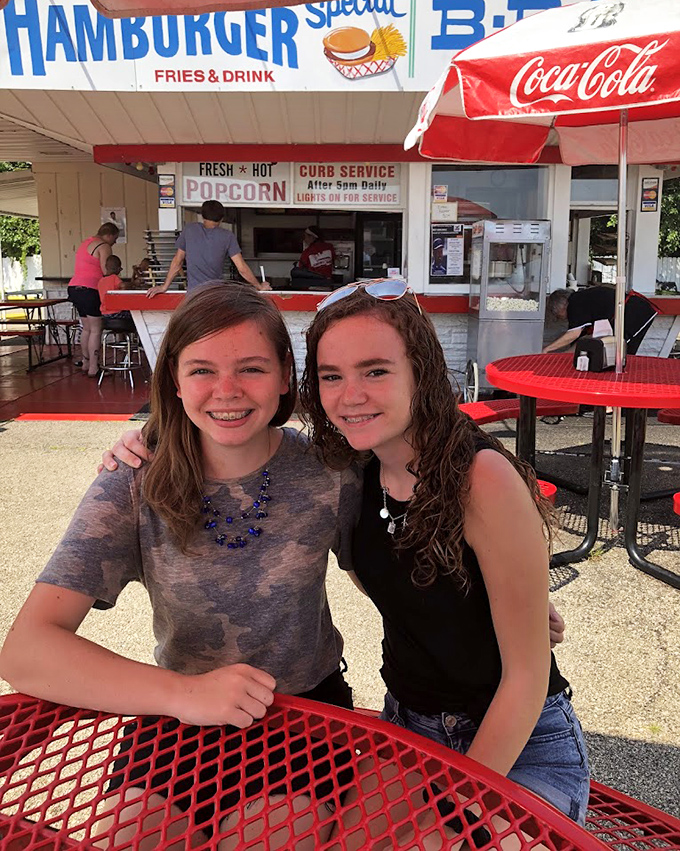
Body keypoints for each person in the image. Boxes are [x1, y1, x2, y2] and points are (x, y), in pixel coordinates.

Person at [0, 281, 360, 850]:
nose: (227, 391)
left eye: (251, 368)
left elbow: (400, 565)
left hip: (303, 715)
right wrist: (183, 696)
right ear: (173, 379)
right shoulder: (133, 480)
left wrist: (492, 597)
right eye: (200, 370)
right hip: (173, 715)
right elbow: (26, 651)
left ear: (286, 375)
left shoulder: (330, 471)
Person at [296, 279, 589, 828]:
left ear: (421, 373)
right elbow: (388, 581)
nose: (349, 395)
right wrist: (146, 442)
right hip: (409, 729)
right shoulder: (355, 471)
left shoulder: (481, 477)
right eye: (331, 376)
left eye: (376, 370)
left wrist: (453, 811)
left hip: (517, 740)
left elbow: (525, 679)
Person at [147, 200, 272, 297]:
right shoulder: (227, 236)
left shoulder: (190, 230)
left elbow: (177, 261)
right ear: (221, 219)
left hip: (193, 296)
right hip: (214, 295)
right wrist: (259, 286)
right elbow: (242, 268)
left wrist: (164, 286)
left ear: (202, 216)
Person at [544, 285, 657, 355]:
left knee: (621, 352)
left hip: (635, 313)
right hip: (633, 311)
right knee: (615, 350)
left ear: (560, 306)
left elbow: (573, 334)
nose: (561, 318)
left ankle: (623, 384)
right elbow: (581, 340)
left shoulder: (575, 304)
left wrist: (547, 350)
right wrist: (565, 355)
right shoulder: (582, 301)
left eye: (558, 315)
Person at [67, 222, 119, 377]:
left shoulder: (86, 243)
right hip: (90, 289)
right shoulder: (103, 246)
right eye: (114, 239)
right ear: (108, 235)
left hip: (74, 288)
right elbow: (106, 271)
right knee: (96, 328)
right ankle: (94, 368)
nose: (114, 243)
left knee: (87, 328)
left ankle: (86, 363)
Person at [98, 255, 133, 325]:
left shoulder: (101, 281)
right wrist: (134, 283)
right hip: (116, 313)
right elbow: (123, 285)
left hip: (104, 315)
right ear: (118, 269)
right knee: (136, 316)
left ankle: (121, 335)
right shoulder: (114, 278)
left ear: (106, 267)